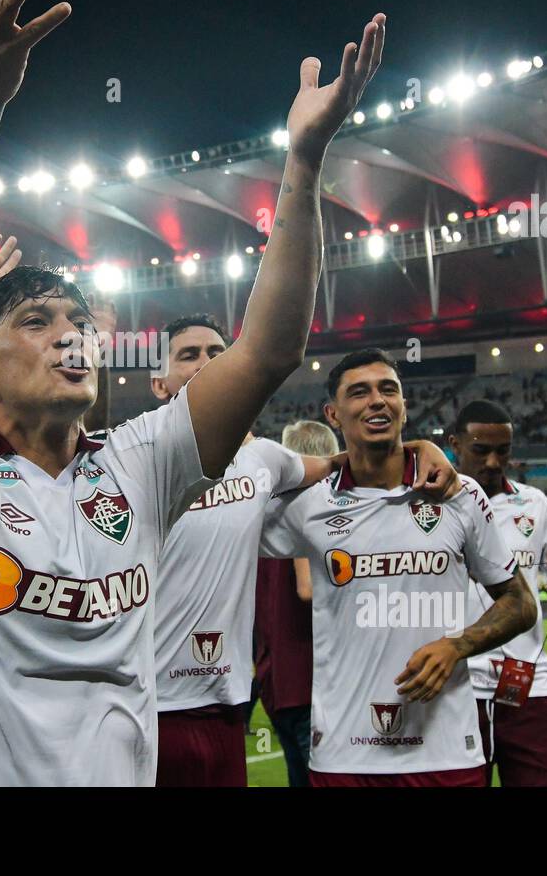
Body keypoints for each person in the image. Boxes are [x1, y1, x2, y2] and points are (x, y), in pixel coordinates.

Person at [0, 0, 386, 784]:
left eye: (79, 320)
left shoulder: (139, 466)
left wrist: (302, 161)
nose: (71, 335)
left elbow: (268, 350)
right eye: (37, 321)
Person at [147, 317, 456, 786]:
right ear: (158, 382)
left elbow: (351, 460)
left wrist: (419, 446)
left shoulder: (262, 460)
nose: (208, 364)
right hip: (144, 703)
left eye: (217, 353)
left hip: (224, 706)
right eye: (189, 355)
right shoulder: (130, 457)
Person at [264, 348, 537, 786]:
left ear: (404, 407)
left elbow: (521, 604)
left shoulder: (458, 493)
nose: (377, 400)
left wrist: (457, 646)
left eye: (388, 389)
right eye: (359, 392)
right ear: (333, 414)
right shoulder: (310, 506)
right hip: (344, 757)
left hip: (446, 753)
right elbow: (224, 508)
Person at [449, 399, 547, 786]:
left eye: (503, 451)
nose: (493, 462)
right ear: (455, 445)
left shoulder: (534, 503)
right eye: (481, 450)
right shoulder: (429, 503)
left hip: (529, 685)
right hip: (457, 686)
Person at [255, 420, 336, 787]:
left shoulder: (267, 513)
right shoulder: (308, 507)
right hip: (306, 679)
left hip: (276, 679)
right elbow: (307, 588)